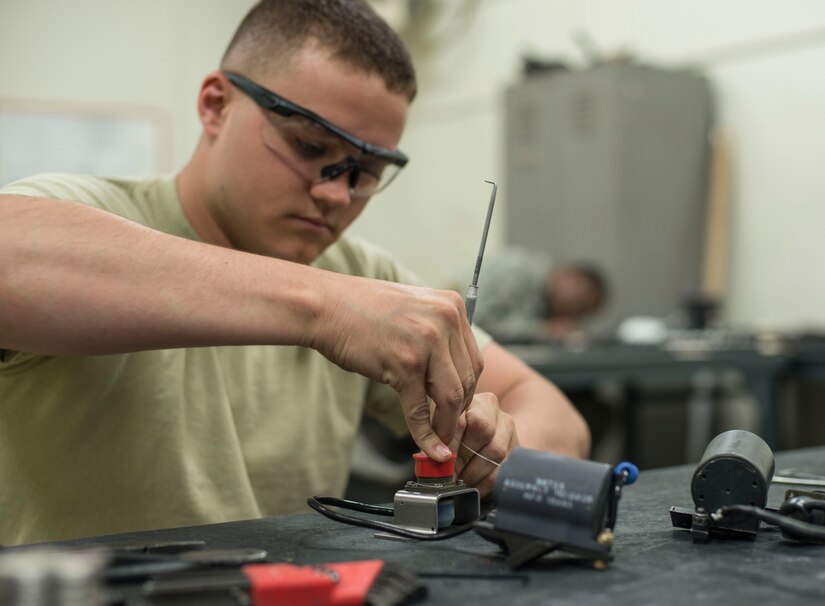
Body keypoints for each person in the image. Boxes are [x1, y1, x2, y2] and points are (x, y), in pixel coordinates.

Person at [0, 0, 589, 546]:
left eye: (367, 171)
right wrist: (323, 308)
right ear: (215, 105)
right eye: (310, 147)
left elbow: (552, 410)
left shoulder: (361, 272)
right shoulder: (87, 214)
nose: (337, 193)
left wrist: (501, 447)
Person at [469, 247, 608, 343]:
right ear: (569, 274)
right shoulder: (517, 271)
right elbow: (478, 322)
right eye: (578, 296)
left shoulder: (545, 308)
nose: (574, 306)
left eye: (582, 309)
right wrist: (543, 330)